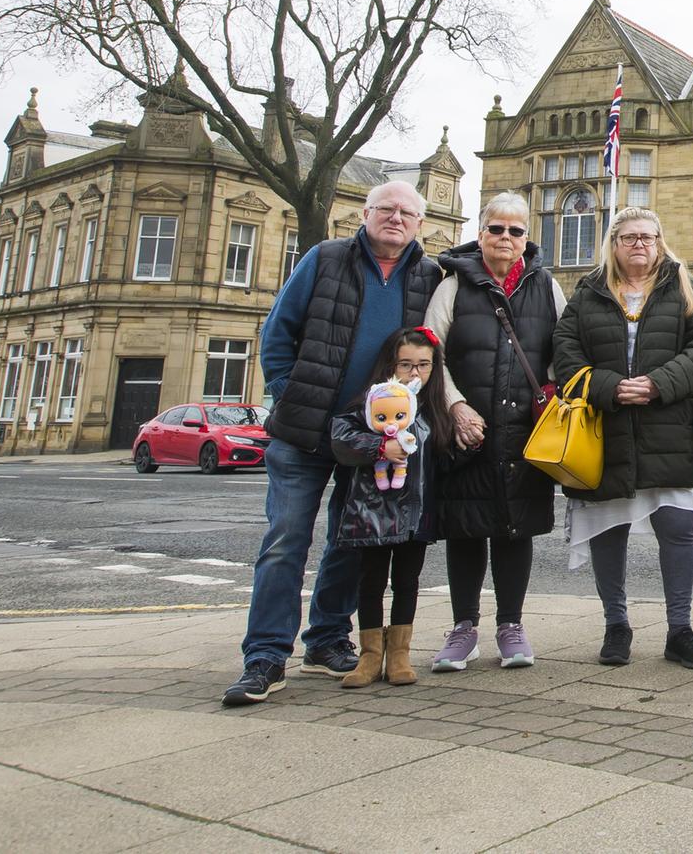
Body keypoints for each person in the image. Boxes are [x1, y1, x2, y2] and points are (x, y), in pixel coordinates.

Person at [225, 182, 442, 707]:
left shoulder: (429, 274)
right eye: (386, 209)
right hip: (304, 432)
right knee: (285, 540)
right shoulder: (325, 259)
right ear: (365, 214)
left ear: (419, 222)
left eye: (407, 212)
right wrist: (290, 395)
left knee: (351, 543)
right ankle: (265, 656)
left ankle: (325, 640)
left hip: (372, 440)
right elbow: (277, 335)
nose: (396, 218)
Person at [552, 206, 693, 670]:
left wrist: (657, 384)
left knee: (678, 528)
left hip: (668, 427)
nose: (639, 245)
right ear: (614, 243)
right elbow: (564, 354)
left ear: (660, 241)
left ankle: (680, 629)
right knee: (609, 528)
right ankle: (616, 625)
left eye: (648, 237)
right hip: (607, 430)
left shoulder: (684, 285)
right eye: (629, 237)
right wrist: (609, 388)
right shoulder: (587, 291)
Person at [423, 192, 569, 672]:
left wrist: (550, 394)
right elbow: (430, 354)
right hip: (468, 432)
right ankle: (463, 628)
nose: (506, 238)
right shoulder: (452, 287)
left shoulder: (546, 286)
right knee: (465, 528)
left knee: (515, 529)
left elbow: (561, 351)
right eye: (496, 229)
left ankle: (512, 626)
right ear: (481, 232)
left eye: (516, 230)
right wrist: (456, 406)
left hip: (525, 432)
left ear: (528, 238)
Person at [328, 328, 455, 689]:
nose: (415, 373)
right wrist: (379, 448)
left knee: (407, 581)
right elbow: (341, 435)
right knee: (370, 581)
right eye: (406, 364)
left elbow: (444, 455)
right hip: (372, 510)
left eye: (424, 365)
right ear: (391, 364)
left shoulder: (433, 408)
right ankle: (370, 655)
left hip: (416, 512)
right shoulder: (371, 403)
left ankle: (399, 654)